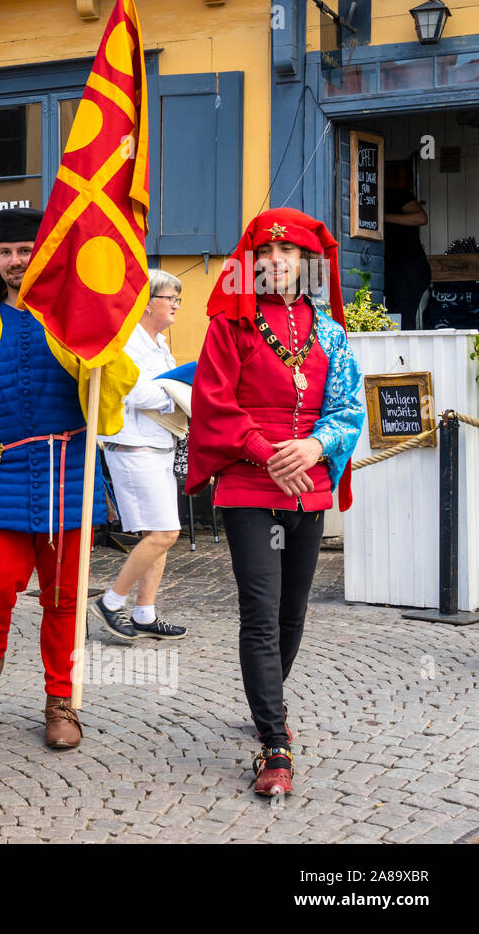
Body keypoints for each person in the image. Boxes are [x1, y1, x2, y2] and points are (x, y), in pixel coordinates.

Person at [0, 207, 135, 749]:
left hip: (69, 476)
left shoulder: (78, 321)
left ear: (46, 255)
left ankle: (61, 700)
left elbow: (118, 382)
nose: (15, 261)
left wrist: (95, 345)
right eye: (5, 252)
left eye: (25, 251)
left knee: (64, 598)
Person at [187, 207, 364, 796]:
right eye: (267, 253)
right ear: (253, 262)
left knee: (293, 612)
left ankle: (269, 700)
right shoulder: (228, 325)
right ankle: (274, 743)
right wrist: (269, 453)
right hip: (247, 482)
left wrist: (313, 446)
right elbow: (214, 406)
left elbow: (348, 412)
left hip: (306, 485)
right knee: (260, 613)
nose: (277, 262)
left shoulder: (332, 333)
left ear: (308, 263)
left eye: (289, 254)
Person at [92, 268, 188, 641]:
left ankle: (145, 613)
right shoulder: (127, 341)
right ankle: (111, 602)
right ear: (147, 302)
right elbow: (134, 393)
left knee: (158, 532)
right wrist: (177, 394)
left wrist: (172, 391)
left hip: (159, 444)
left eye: (178, 298)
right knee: (165, 533)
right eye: (171, 298)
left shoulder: (159, 344)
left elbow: (159, 388)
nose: (177, 304)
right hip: (133, 446)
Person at [382, 161, 431, 329]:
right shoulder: (374, 198)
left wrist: (384, 218)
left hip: (409, 267)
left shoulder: (398, 194)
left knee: (402, 316)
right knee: (392, 314)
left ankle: (402, 354)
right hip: (393, 268)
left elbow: (421, 218)